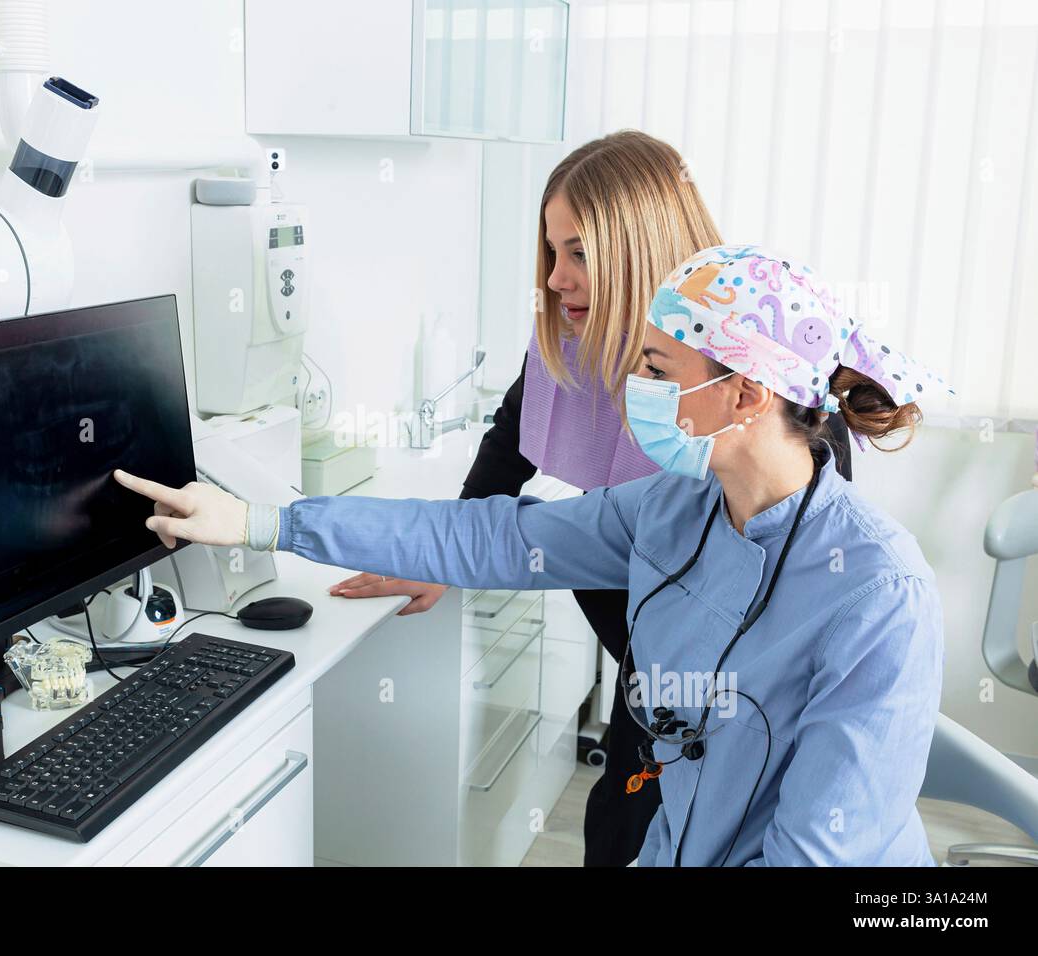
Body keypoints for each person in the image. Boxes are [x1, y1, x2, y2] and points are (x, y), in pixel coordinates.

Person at [115, 245, 951, 866]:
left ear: (745, 392)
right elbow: (487, 535)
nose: (637, 391)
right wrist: (264, 520)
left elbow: (815, 854)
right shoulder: (671, 511)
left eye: (659, 370)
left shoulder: (877, 595)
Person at [319, 131, 851, 867]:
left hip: (747, 700)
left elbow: (818, 571)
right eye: (551, 252)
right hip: (647, 666)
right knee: (618, 833)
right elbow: (510, 441)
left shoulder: (759, 370)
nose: (556, 279)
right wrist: (446, 556)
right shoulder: (570, 343)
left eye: (580, 254)